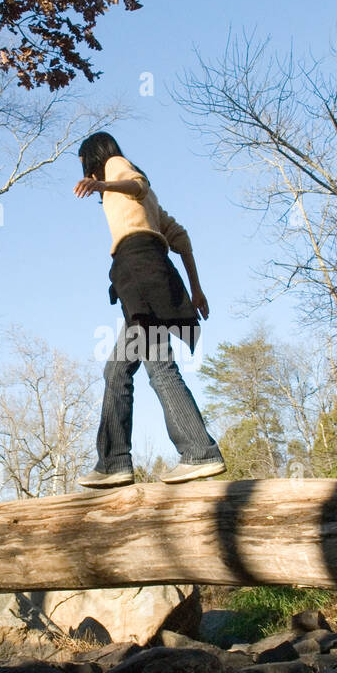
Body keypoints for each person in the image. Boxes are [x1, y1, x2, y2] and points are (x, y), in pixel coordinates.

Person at [73, 131, 226, 487]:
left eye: (84, 165)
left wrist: (103, 185)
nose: (87, 174)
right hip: (149, 271)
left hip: (139, 267)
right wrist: (197, 289)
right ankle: (114, 462)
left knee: (158, 365)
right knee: (117, 370)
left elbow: (136, 182)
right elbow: (181, 237)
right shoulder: (149, 205)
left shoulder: (115, 167)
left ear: (93, 159)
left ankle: (199, 452)